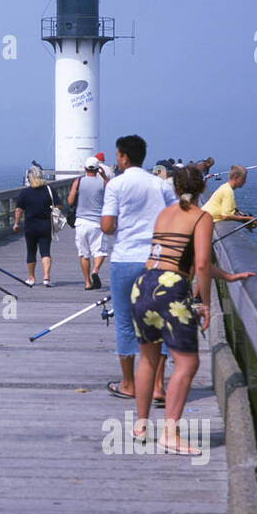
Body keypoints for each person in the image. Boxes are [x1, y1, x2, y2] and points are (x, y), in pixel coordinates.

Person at [130, 166, 255, 453]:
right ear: (203, 190)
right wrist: (206, 304)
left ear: (174, 189)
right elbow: (198, 264)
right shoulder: (201, 217)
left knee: (148, 359)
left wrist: (228, 276)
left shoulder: (164, 214)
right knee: (187, 364)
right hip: (171, 291)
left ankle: (140, 426)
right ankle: (169, 434)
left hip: (144, 284)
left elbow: (175, 257)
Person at [100, 135, 174, 399]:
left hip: (124, 260)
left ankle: (129, 384)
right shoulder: (161, 185)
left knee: (124, 322)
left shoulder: (116, 185)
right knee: (159, 321)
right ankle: (157, 387)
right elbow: (176, 218)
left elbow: (107, 226)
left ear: (123, 157)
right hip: (157, 260)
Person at [67, 157, 107, 290]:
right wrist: (104, 176)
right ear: (98, 169)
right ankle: (95, 271)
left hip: (81, 222)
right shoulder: (103, 182)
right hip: (97, 223)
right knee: (99, 251)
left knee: (84, 254)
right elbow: (111, 192)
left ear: (85, 168)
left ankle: (87, 283)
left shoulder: (78, 181)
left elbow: (70, 201)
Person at [13, 165, 55, 287]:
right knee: (45, 251)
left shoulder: (25, 192)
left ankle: (31, 278)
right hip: (46, 225)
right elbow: (58, 206)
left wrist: (16, 223)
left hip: (30, 227)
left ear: (29, 178)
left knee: (31, 252)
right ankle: (46, 277)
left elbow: (18, 210)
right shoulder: (49, 190)